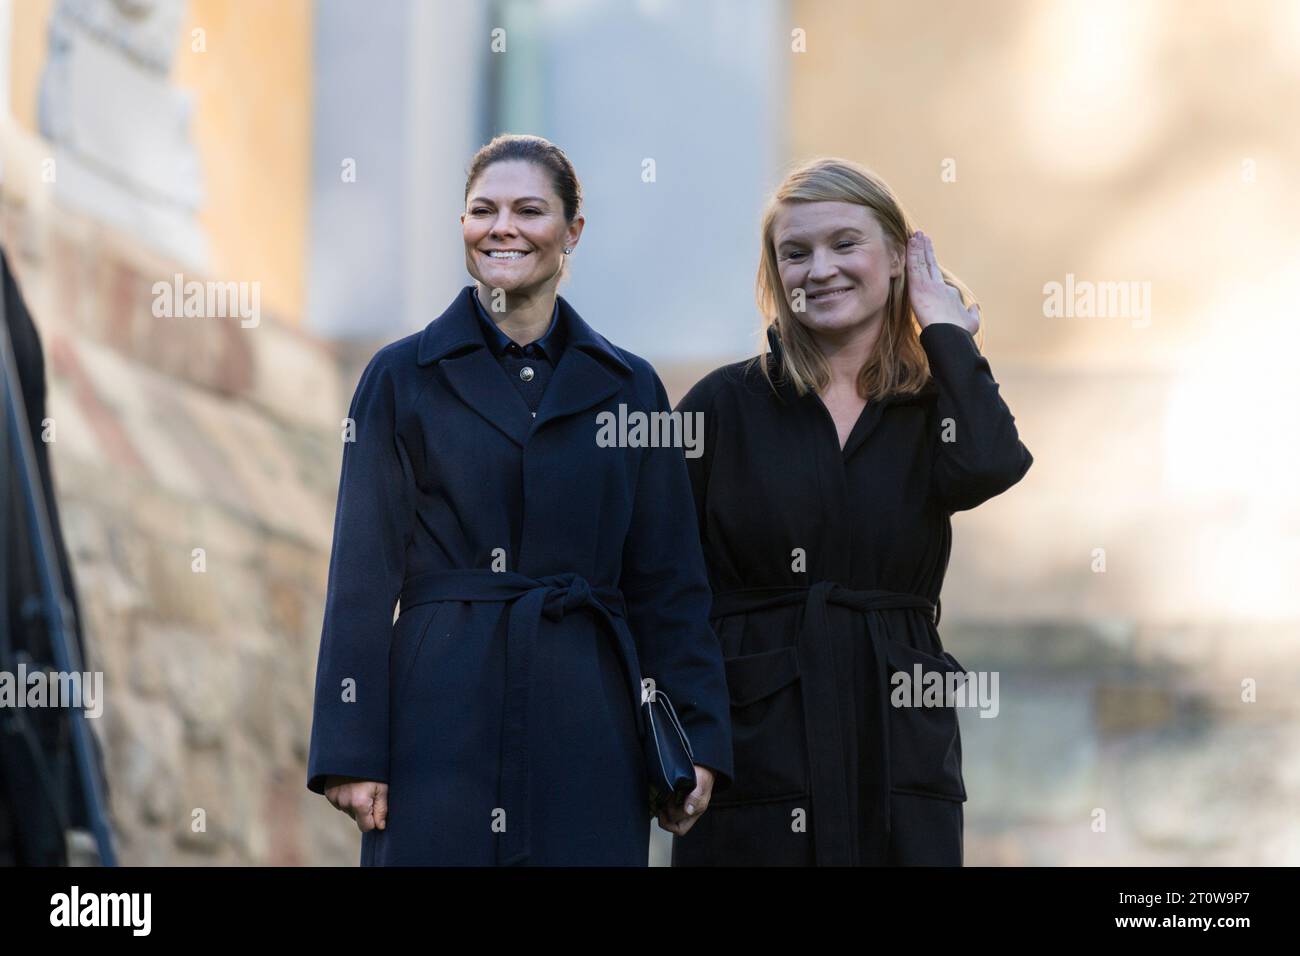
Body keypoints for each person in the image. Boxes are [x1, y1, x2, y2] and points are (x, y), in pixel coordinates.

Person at [305, 134, 733, 865]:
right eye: (483, 210)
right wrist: (350, 747)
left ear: (573, 232)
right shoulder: (400, 377)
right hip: (437, 715)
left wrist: (695, 735)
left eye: (529, 210)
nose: (502, 227)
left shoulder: (632, 389)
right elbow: (361, 576)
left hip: (590, 715)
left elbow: (670, 583)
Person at [670, 158, 1033, 866]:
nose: (820, 269)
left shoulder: (935, 401)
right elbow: (663, 583)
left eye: (846, 243)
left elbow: (991, 463)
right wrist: (691, 735)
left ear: (898, 256)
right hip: (755, 742)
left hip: (898, 739)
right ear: (776, 276)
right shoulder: (723, 405)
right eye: (795, 253)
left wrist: (948, 336)